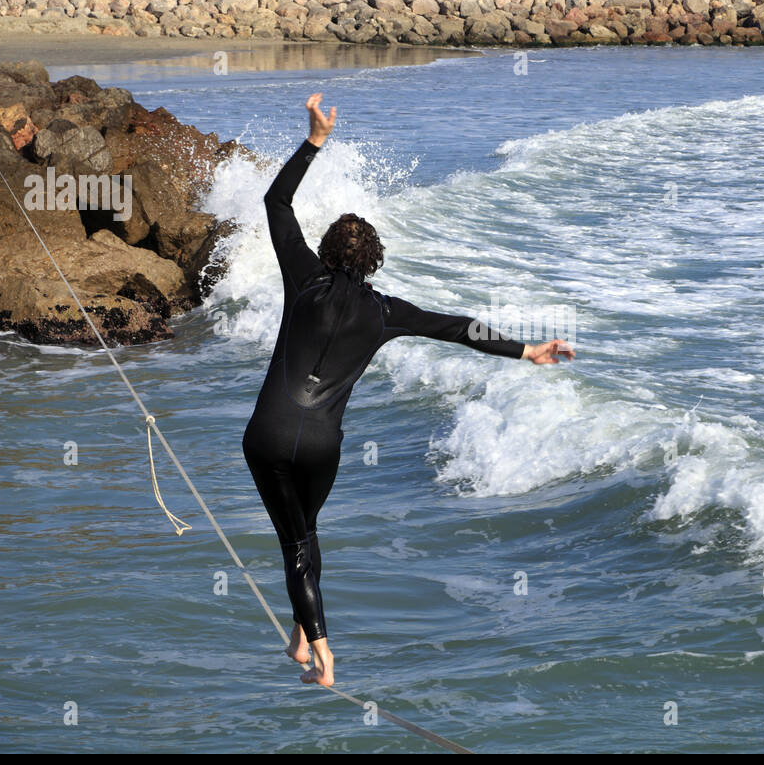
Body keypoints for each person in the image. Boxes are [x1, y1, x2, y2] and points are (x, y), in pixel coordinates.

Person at [243, 93, 573, 687]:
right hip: (321, 446)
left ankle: (322, 651)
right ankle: (302, 636)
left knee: (294, 543)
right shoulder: (386, 311)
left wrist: (315, 141)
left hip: (267, 434)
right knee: (305, 537)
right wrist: (526, 349)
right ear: (374, 263)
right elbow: (458, 327)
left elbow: (276, 200)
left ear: (323, 252)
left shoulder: (303, 278)